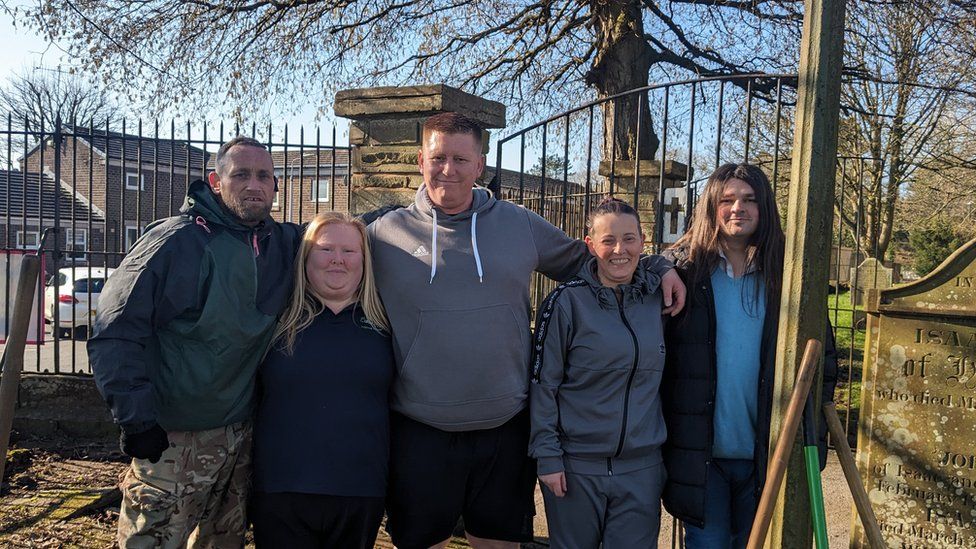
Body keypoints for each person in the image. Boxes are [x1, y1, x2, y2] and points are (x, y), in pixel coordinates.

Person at [366, 112, 686, 549]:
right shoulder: (383, 235)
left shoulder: (520, 224)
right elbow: (326, 259)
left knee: (498, 540)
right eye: (438, 158)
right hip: (420, 428)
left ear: (480, 165)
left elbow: (602, 259)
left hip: (505, 428)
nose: (448, 169)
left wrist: (661, 266)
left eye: (461, 159)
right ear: (421, 160)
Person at [88, 137, 301, 548]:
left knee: (223, 542)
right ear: (215, 182)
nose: (254, 185)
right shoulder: (176, 241)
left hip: (240, 436)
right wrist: (136, 419)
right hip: (173, 440)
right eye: (241, 174)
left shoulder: (281, 242)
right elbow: (116, 328)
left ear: (275, 186)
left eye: (264, 176)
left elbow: (344, 232)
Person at [660, 163, 837, 548]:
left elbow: (823, 363)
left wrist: (813, 430)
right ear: (711, 206)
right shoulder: (683, 272)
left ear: (764, 207)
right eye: (727, 200)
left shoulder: (788, 275)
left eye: (749, 199)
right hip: (700, 455)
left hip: (766, 455)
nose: (738, 208)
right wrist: (660, 266)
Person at [529, 198, 669, 548]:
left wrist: (666, 267)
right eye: (608, 240)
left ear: (642, 242)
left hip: (641, 469)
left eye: (629, 239)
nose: (620, 250)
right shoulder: (565, 303)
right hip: (577, 468)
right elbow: (543, 385)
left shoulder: (658, 299)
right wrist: (548, 457)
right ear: (590, 245)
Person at [249, 212, 394, 548]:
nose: (337, 260)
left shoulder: (388, 324)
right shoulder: (274, 321)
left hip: (360, 490)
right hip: (282, 489)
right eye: (326, 249)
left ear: (364, 260)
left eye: (349, 251)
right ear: (306, 258)